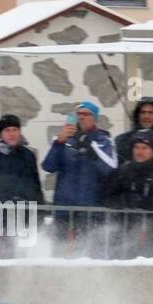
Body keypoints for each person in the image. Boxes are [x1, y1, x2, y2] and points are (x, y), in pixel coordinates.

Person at [41, 101, 117, 256]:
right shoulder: (63, 139)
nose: (81, 118)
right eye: (79, 114)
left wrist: (90, 147)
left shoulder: (103, 140)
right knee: (59, 253)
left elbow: (110, 166)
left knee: (86, 254)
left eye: (86, 114)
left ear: (94, 118)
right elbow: (47, 166)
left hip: (90, 210)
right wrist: (59, 142)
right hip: (63, 209)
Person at [0, 114, 41, 259]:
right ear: (0, 133)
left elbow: (35, 186)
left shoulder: (28, 155)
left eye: (14, 130)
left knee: (21, 258)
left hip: (23, 216)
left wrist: (39, 214)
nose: (11, 134)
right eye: (7, 130)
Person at [106, 129, 153, 257]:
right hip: (125, 230)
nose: (140, 152)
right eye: (137, 148)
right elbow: (108, 197)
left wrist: (145, 202)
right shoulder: (124, 170)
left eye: (144, 148)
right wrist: (126, 200)